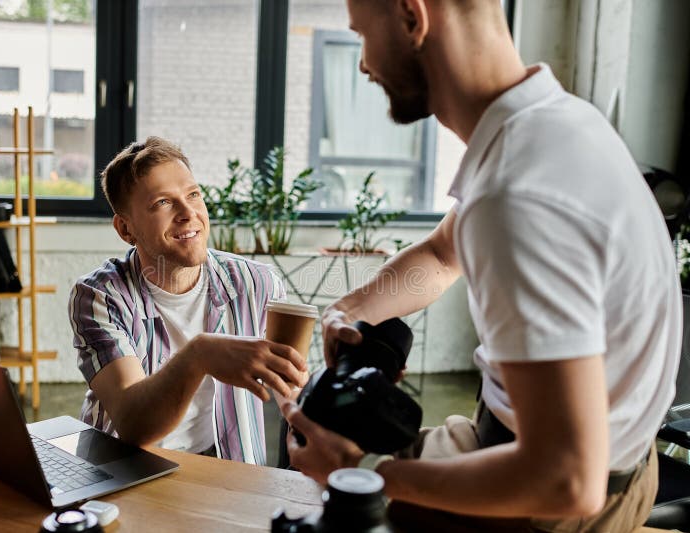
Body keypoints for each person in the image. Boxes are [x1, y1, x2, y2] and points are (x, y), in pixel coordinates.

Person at [280, 0, 681, 530]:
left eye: (360, 34)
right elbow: (443, 254)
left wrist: (367, 474)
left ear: (412, 16)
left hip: (552, 500)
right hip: (540, 450)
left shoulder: (517, 194)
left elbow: (568, 479)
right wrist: (351, 309)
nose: (362, 63)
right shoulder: (554, 124)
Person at [69, 137, 307, 465]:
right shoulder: (100, 297)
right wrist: (200, 354)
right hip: (124, 468)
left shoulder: (257, 283)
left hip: (226, 466)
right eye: (163, 203)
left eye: (193, 195)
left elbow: (288, 387)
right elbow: (133, 423)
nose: (188, 213)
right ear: (126, 229)